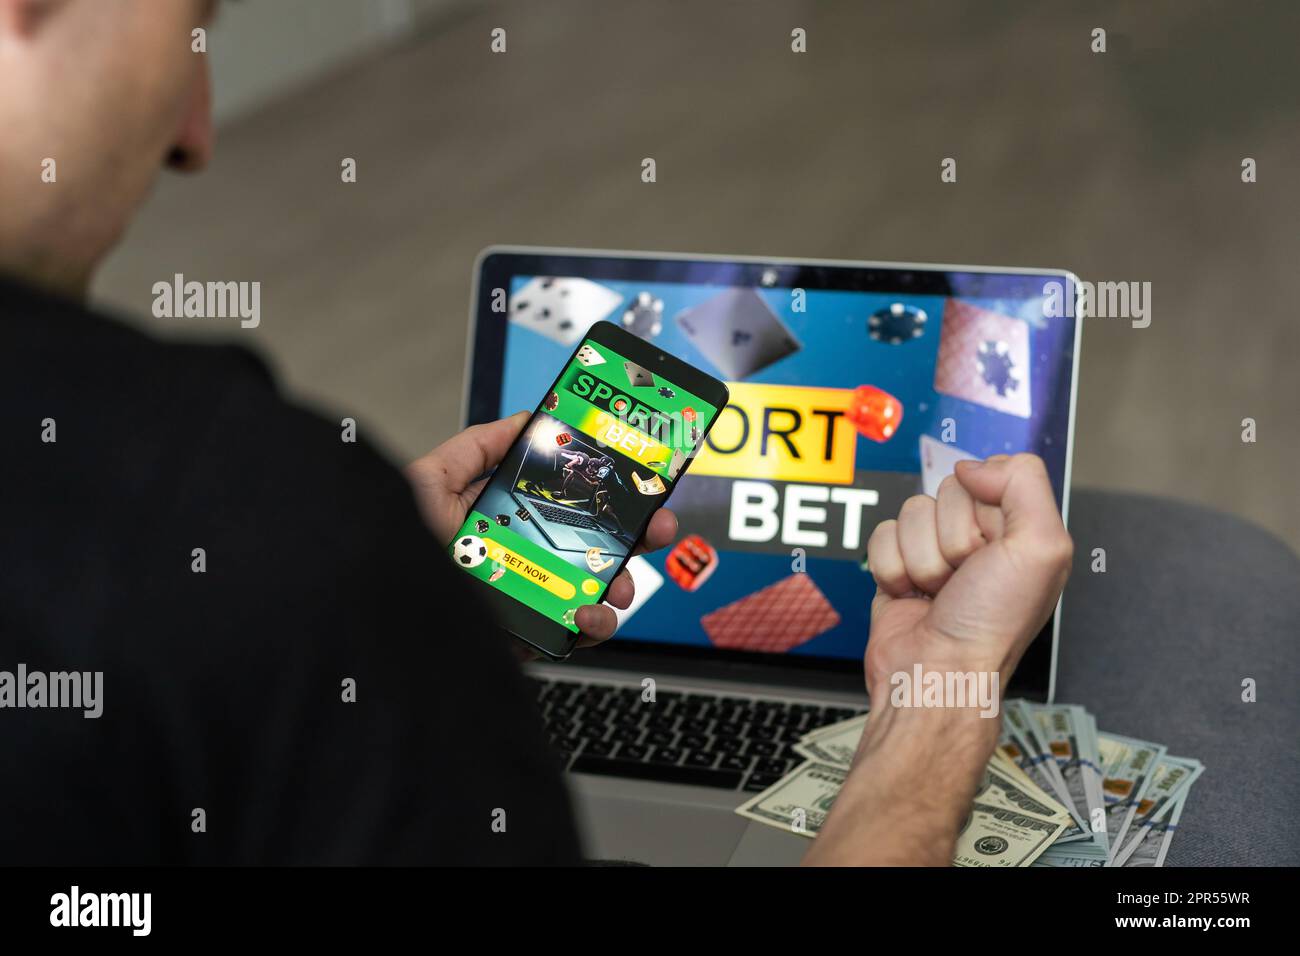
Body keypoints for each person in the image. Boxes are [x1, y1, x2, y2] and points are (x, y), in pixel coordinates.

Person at [0, 0, 1072, 866]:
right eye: (192, 25)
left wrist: (406, 637)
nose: (196, 130)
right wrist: (940, 697)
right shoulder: (261, 523)